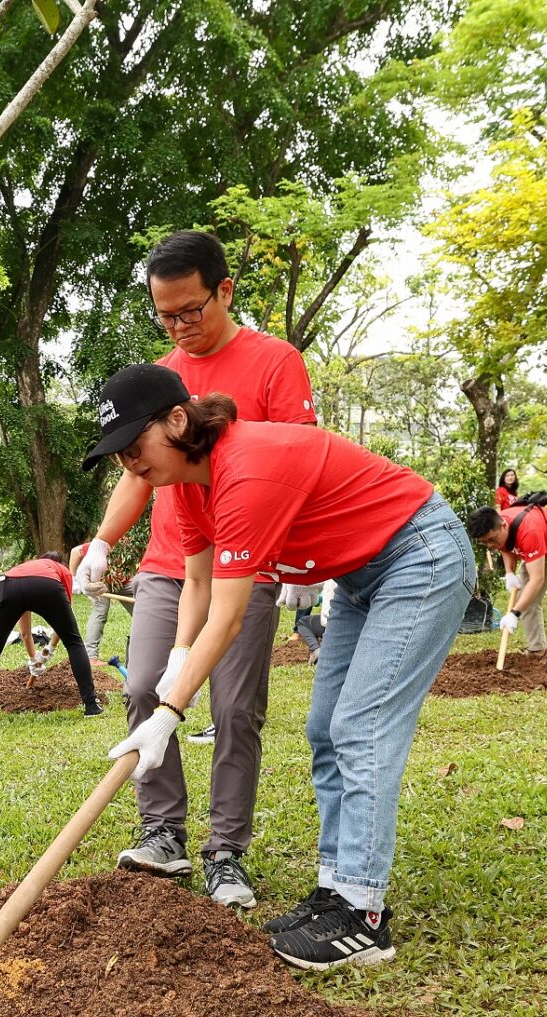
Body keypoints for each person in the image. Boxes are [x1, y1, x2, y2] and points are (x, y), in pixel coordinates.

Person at [90, 363, 472, 971]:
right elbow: (197, 583)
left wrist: (168, 713)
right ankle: (335, 890)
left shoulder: (246, 470)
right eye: (119, 455)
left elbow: (229, 618)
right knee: (325, 730)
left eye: (136, 446)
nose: (129, 463)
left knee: (361, 727)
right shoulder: (185, 486)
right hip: (357, 576)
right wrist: (179, 658)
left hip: (417, 556)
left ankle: (364, 916)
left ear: (178, 421)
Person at [71, 230, 316, 909]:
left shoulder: (275, 362)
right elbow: (138, 473)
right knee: (144, 684)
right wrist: (102, 540)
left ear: (224, 291)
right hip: (174, 560)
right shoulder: (160, 374)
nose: (179, 326)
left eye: (190, 310)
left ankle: (226, 850)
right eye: (165, 315)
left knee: (234, 707)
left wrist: (299, 560)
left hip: (248, 563)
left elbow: (298, 460)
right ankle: (163, 832)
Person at [0, 552, 103, 719]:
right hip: (45, 586)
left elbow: (25, 631)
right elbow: (65, 628)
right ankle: (91, 705)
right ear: (60, 563)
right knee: (74, 642)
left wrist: (35, 657)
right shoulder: (62, 570)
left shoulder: (23, 568)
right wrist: (50, 648)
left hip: (6, 584)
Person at [467, 498, 547, 659]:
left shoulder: (528, 530)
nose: (490, 545)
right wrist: (509, 573)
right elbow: (505, 545)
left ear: (504, 525)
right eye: (485, 542)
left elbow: (537, 580)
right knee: (524, 594)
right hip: (541, 544)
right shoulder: (499, 528)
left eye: (492, 540)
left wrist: (514, 613)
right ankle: (536, 648)